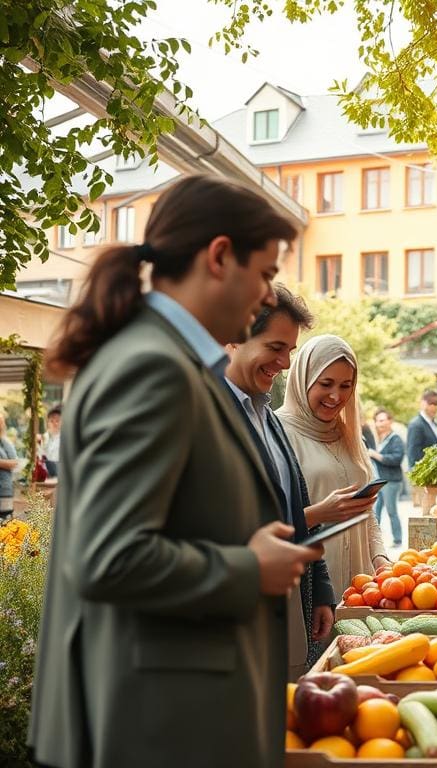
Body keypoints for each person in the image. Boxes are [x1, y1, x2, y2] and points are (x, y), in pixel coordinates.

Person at [30, 175, 325, 768]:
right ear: (218, 256)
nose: (268, 297)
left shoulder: (169, 361)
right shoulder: (151, 366)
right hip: (151, 725)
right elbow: (108, 557)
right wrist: (248, 566)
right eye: (265, 273)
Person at [225, 285, 359, 677]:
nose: (285, 363)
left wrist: (320, 589)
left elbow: (292, 514)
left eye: (290, 351)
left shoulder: (266, 418)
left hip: (287, 610)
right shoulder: (208, 415)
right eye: (275, 347)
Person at [277, 334, 391, 596]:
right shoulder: (278, 433)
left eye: (345, 385)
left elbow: (366, 512)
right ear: (303, 379)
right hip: (308, 589)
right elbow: (266, 522)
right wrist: (318, 513)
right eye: (326, 383)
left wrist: (380, 559)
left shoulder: (348, 434)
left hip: (362, 590)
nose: (335, 396)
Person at [368, 408, 405, 547]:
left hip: (392, 481)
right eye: (377, 421)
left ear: (390, 421)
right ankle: (374, 540)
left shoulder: (396, 439)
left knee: (391, 510)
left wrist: (376, 455)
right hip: (379, 481)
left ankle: (397, 540)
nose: (380, 423)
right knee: (376, 511)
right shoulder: (379, 438)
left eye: (383, 420)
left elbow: (396, 459)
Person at [407, 389, 437, 470]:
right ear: (423, 403)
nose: (434, 407)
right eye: (431, 403)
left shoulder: (435, 424)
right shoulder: (416, 425)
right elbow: (413, 455)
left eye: (436, 403)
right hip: (422, 476)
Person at [0, 413, 19, 521]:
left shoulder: (5, 442)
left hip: (6, 489)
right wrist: (7, 464)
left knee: (6, 524)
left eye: (2, 421)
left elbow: (15, 462)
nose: (0, 424)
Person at [41, 404, 62, 479]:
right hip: (47, 477)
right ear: (48, 422)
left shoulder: (65, 437)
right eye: (51, 421)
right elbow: (41, 457)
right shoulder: (44, 437)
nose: (54, 423)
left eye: (57, 420)